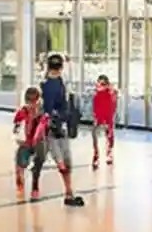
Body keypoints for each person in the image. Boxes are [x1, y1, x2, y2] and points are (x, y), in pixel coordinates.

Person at [41, 53, 84, 207]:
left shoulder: (50, 82)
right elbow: (51, 108)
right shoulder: (53, 84)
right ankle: (68, 191)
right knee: (63, 162)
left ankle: (69, 192)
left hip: (55, 125)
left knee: (63, 162)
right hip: (54, 127)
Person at [13, 86, 49, 201]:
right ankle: (19, 176)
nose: (32, 104)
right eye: (29, 102)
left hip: (39, 141)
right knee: (21, 163)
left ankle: (35, 186)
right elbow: (16, 128)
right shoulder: (22, 112)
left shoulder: (43, 113)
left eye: (34, 101)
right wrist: (17, 133)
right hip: (26, 142)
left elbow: (44, 128)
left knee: (39, 162)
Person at [91, 74, 118, 169]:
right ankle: (96, 155)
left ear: (106, 84)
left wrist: (107, 121)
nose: (99, 86)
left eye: (102, 84)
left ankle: (109, 152)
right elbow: (95, 108)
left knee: (109, 134)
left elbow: (112, 108)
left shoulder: (111, 94)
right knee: (94, 134)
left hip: (108, 118)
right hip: (99, 118)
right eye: (98, 83)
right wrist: (96, 118)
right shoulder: (96, 95)